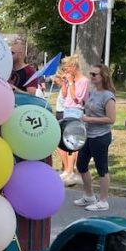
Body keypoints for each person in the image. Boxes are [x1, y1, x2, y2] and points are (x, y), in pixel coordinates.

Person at [74, 64, 116, 212]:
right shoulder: (93, 92)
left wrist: (89, 120)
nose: (91, 76)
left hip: (101, 136)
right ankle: (89, 195)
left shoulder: (108, 96)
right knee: (81, 165)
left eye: (94, 74)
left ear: (103, 77)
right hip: (88, 134)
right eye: (90, 73)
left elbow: (111, 119)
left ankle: (103, 201)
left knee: (102, 169)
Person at [57, 58, 88, 186]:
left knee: (73, 142)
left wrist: (70, 82)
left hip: (76, 111)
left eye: (67, 68)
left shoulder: (84, 81)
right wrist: (65, 83)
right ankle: (68, 170)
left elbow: (77, 99)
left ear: (74, 67)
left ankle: (70, 171)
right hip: (67, 110)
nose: (66, 71)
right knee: (63, 140)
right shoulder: (72, 81)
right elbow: (65, 96)